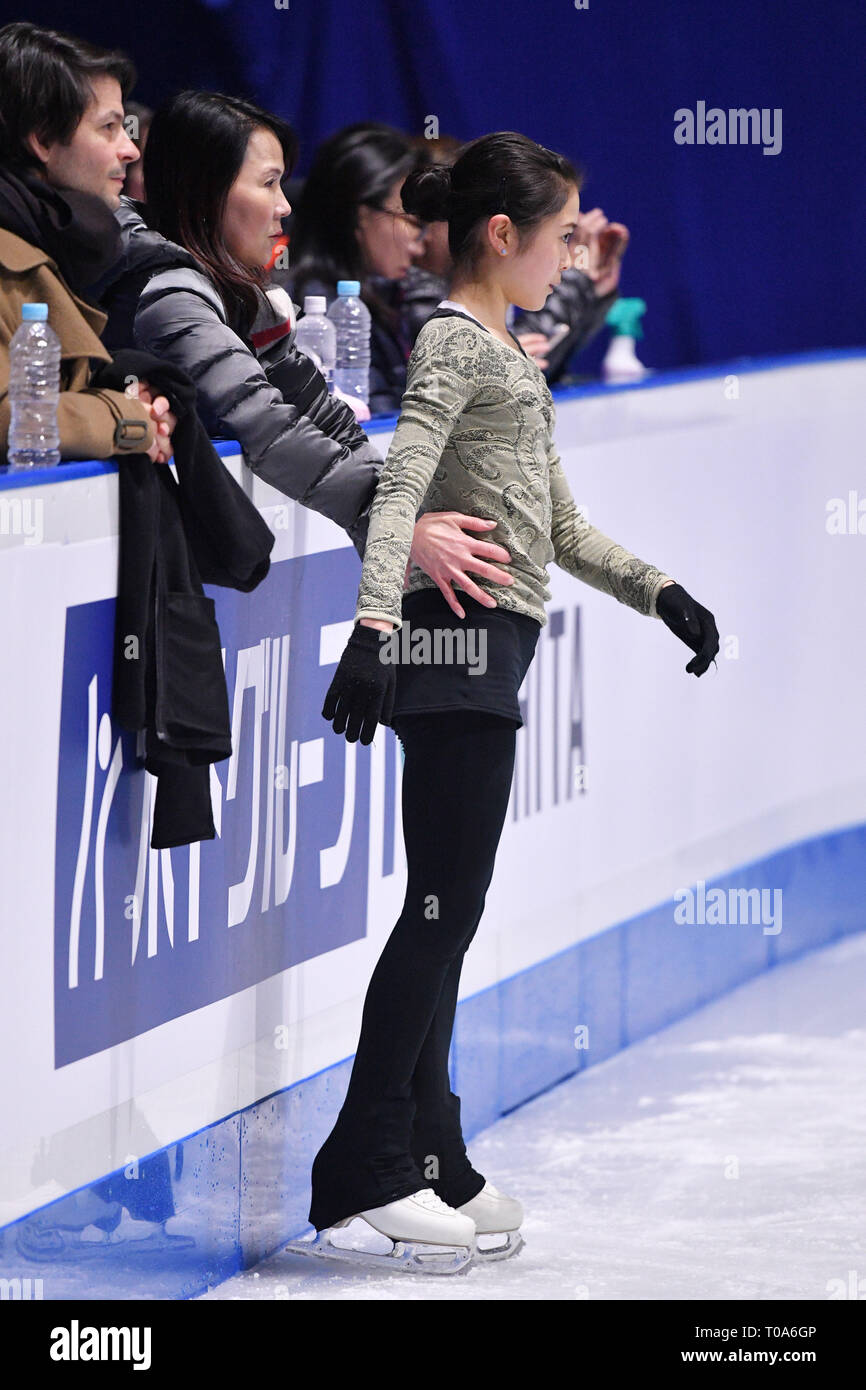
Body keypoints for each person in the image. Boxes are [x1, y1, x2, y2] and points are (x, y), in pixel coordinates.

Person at [309, 130, 719, 1269]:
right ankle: (366, 1160)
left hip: (489, 648)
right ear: (502, 235)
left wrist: (660, 592)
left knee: (450, 907)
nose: (574, 258)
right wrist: (374, 627)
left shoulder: (507, 355)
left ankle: (431, 1146)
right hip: (451, 649)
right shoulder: (455, 341)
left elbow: (561, 525)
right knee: (443, 908)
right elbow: (400, 481)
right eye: (564, 238)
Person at [95, 92, 515, 596]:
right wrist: (391, 523)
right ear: (207, 191)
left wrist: (403, 511)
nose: (284, 205)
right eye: (268, 183)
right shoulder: (171, 297)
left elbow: (321, 412)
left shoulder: (243, 296)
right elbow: (264, 421)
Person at [0, 22, 173, 464]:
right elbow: (11, 417)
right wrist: (126, 416)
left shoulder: (46, 246)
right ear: (42, 139)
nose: (130, 150)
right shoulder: (11, 259)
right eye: (109, 127)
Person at [403, 133, 628, 382]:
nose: (566, 262)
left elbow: (543, 365)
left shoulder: (481, 322)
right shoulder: (444, 336)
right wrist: (577, 281)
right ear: (503, 234)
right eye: (563, 236)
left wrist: (590, 290)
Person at [287, 122, 427, 415]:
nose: (419, 247)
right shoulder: (322, 308)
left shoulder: (384, 295)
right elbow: (373, 422)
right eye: (412, 221)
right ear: (361, 214)